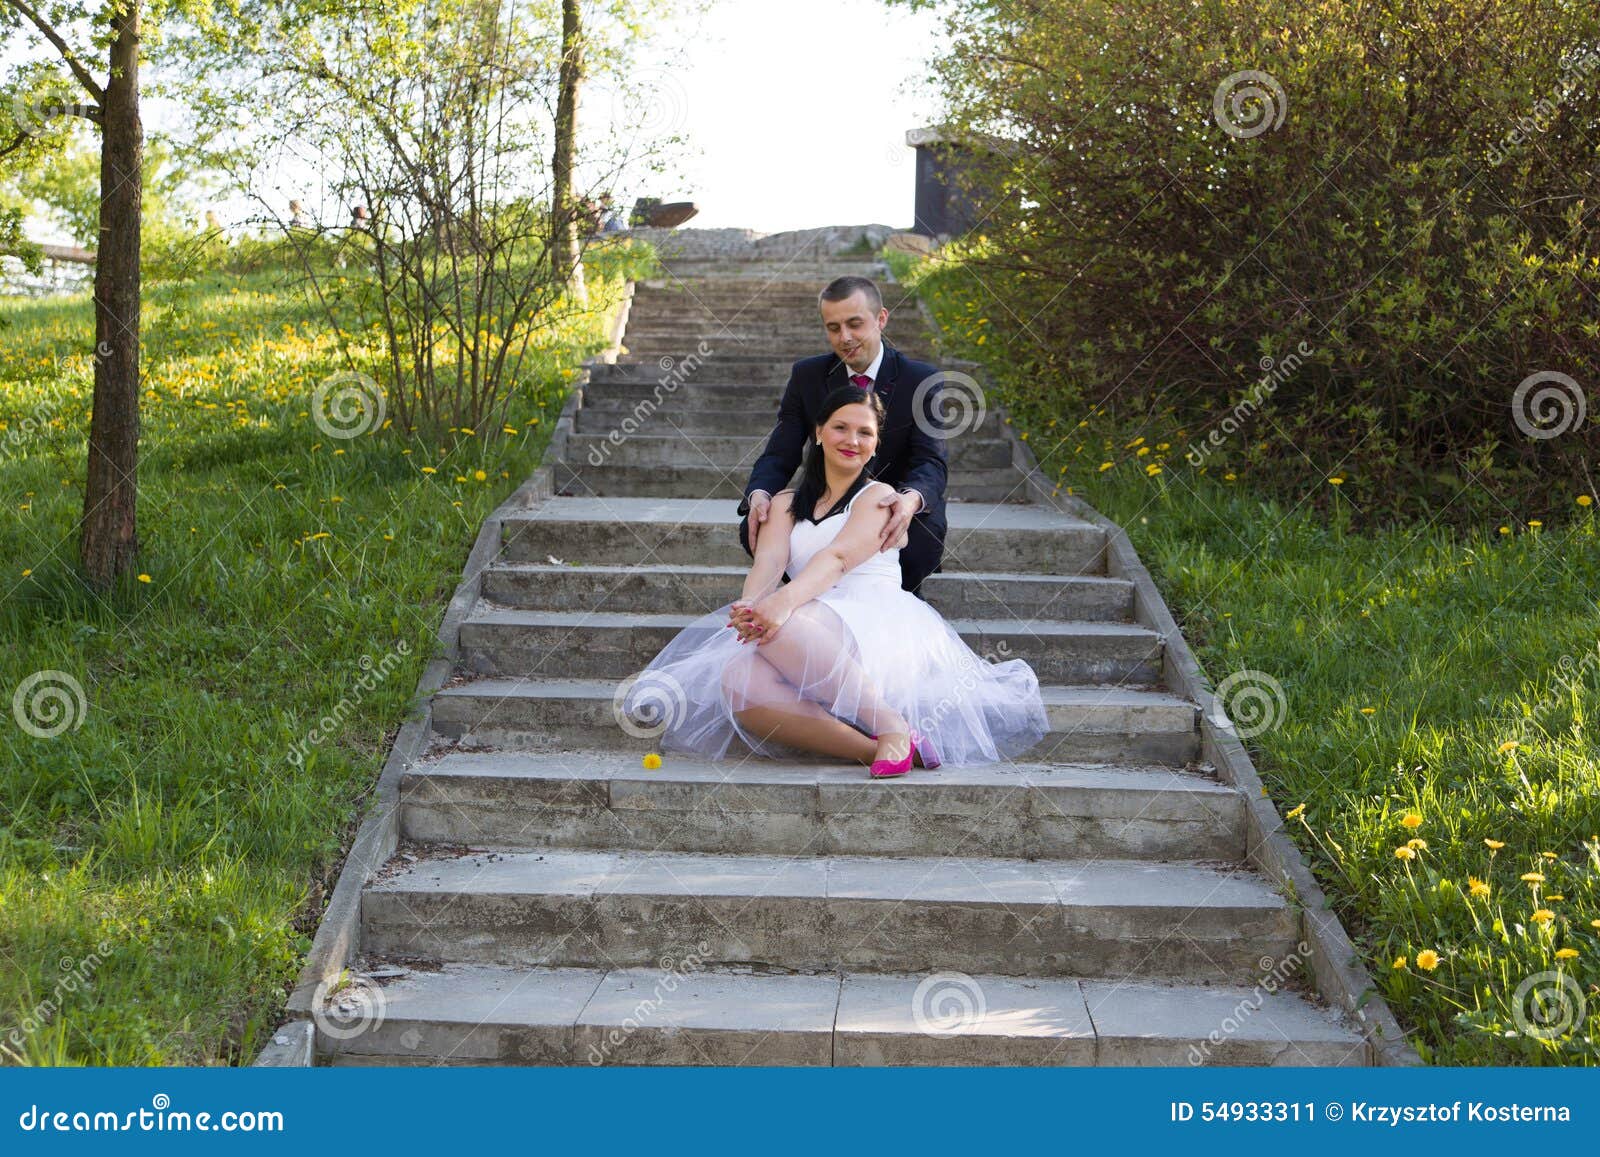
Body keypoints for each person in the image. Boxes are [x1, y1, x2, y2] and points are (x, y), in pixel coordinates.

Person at [622, 385, 1046, 776]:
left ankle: (891, 724)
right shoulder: (786, 502)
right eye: (841, 427)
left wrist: (780, 605)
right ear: (819, 433)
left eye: (865, 432)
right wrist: (751, 606)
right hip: (810, 618)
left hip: (875, 621)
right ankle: (872, 748)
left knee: (782, 621)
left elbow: (838, 559)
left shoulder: (880, 497)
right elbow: (768, 562)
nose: (852, 439)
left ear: (876, 442)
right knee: (737, 678)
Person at [738, 276, 948, 597]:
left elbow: (930, 461)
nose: (845, 338)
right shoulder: (807, 376)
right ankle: (810, 598)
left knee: (919, 540)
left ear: (881, 319)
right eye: (833, 328)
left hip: (892, 502)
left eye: (854, 324)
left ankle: (892, 604)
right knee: (756, 526)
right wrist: (760, 494)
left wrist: (910, 500)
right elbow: (781, 452)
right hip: (827, 499)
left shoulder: (922, 380)